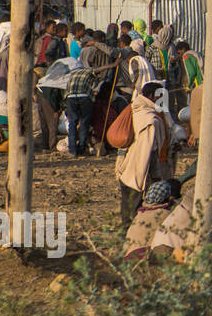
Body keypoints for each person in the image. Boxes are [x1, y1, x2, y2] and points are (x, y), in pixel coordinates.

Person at [115, 82, 174, 226]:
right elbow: (149, 150)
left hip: (125, 162)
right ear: (151, 97)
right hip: (139, 166)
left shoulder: (133, 108)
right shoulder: (151, 119)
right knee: (135, 200)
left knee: (126, 199)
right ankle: (132, 230)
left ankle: (126, 228)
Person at [62, 58, 102, 158]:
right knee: (84, 123)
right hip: (84, 98)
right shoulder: (87, 71)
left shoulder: (71, 75)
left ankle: (72, 150)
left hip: (71, 99)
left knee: (73, 123)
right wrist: (114, 64)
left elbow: (66, 91)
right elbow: (98, 70)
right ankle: (82, 149)